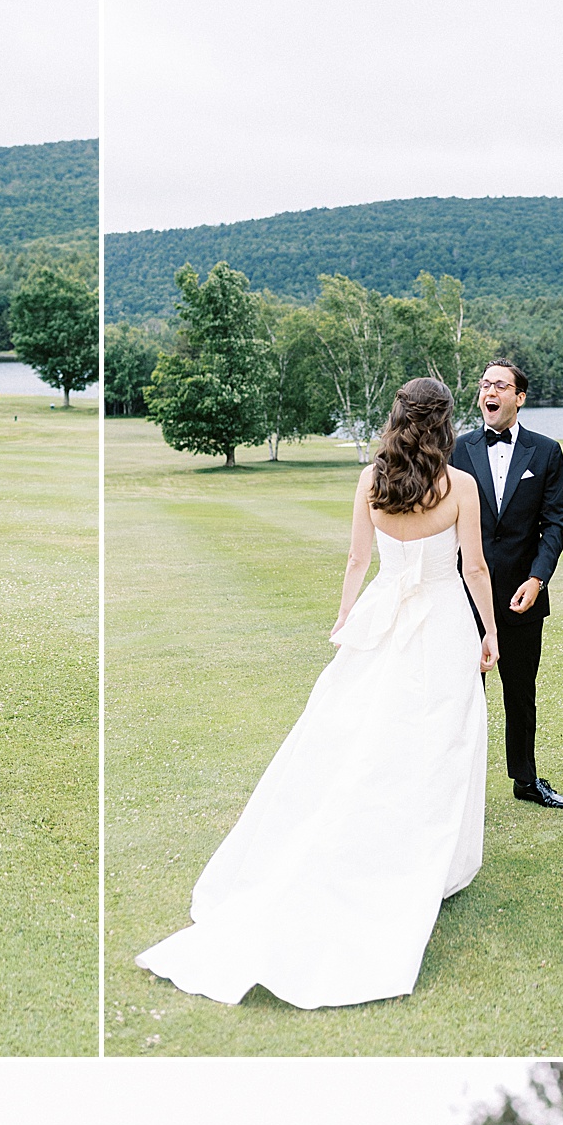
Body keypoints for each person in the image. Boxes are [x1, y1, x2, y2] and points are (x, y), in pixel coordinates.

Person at [135, 376, 498, 1010]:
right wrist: (490, 631)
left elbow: (358, 559)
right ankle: (428, 861)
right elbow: (474, 569)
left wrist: (346, 619)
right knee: (440, 736)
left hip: (386, 614)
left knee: (367, 733)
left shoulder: (372, 478)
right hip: (440, 622)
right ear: (443, 420)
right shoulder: (460, 485)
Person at [450, 359, 563, 807]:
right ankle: (458, 789)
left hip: (523, 598)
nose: (490, 391)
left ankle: (526, 781)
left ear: (519, 397)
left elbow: (555, 523)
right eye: (485, 384)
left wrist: (538, 578)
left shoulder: (545, 452)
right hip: (464, 598)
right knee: (463, 695)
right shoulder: (457, 449)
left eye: (500, 385)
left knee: (521, 695)